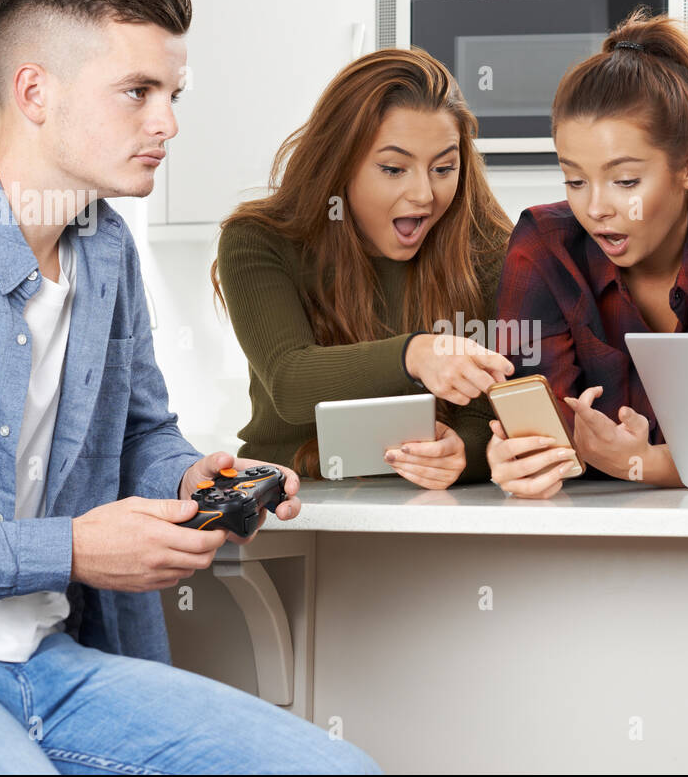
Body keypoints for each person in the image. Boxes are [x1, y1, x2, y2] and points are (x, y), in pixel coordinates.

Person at [0, 0, 378, 774]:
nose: (167, 122)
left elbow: (141, 433)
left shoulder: (107, 248)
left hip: (51, 659)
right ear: (34, 91)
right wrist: (74, 550)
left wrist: (187, 476)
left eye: (172, 93)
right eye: (137, 91)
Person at [489, 11, 688, 499]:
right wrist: (520, 461)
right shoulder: (543, 244)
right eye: (574, 180)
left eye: (625, 181)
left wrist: (645, 463)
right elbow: (544, 436)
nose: (595, 208)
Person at [212, 48, 515, 490]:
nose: (424, 194)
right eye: (393, 169)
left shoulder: (486, 248)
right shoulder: (258, 240)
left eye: (444, 168)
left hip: (427, 509)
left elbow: (485, 414)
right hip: (294, 501)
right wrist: (413, 354)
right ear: (340, 163)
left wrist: (461, 457)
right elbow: (290, 382)